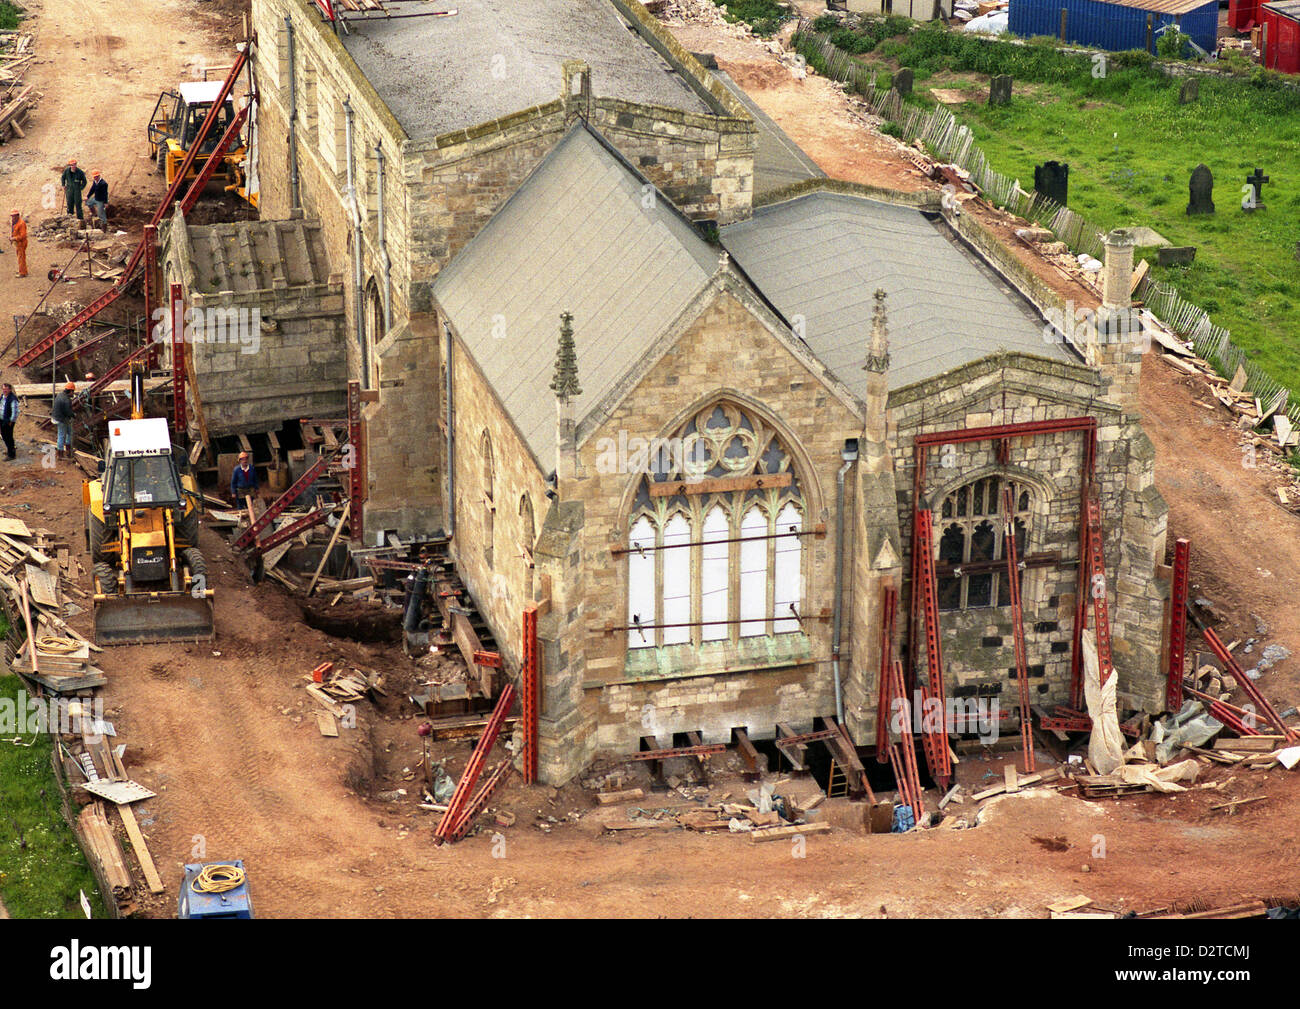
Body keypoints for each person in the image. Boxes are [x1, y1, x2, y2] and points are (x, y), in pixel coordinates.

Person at [51, 381, 74, 460]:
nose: (73, 394)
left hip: (56, 416)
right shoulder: (67, 400)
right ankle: (60, 454)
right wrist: (73, 415)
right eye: (73, 392)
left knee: (69, 432)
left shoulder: (60, 394)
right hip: (61, 419)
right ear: (70, 391)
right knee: (61, 435)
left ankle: (68, 449)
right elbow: (68, 412)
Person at [0, 382, 17, 460]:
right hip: (2, 419)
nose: (4, 391)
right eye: (3, 389)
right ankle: (10, 449)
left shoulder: (12, 399)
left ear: (10, 390)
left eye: (6, 390)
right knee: (4, 435)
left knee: (8, 437)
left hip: (8, 421)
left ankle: (11, 455)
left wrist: (11, 421)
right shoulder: (3, 396)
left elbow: (15, 411)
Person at [9, 209, 26, 278]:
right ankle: (23, 270)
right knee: (21, 257)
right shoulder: (15, 222)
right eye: (12, 216)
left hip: (21, 243)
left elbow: (23, 236)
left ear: (17, 216)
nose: (12, 218)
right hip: (18, 243)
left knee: (21, 258)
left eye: (14, 216)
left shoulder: (21, 224)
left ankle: (22, 273)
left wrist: (14, 238)